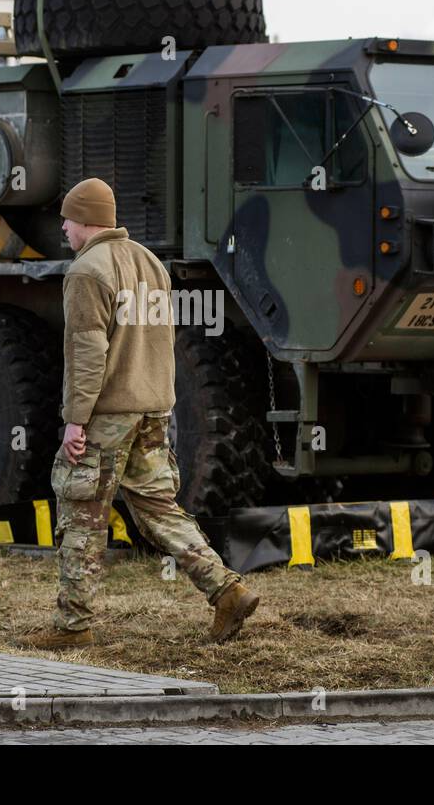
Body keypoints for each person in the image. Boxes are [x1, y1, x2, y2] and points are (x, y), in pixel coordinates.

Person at [21, 177, 260, 650]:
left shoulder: (87, 271)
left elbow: (86, 353)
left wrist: (75, 419)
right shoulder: (150, 263)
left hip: (108, 412)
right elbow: (161, 341)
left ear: (85, 219)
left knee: (82, 514)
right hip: (152, 408)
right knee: (157, 509)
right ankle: (227, 590)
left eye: (67, 218)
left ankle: (72, 627)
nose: (63, 227)